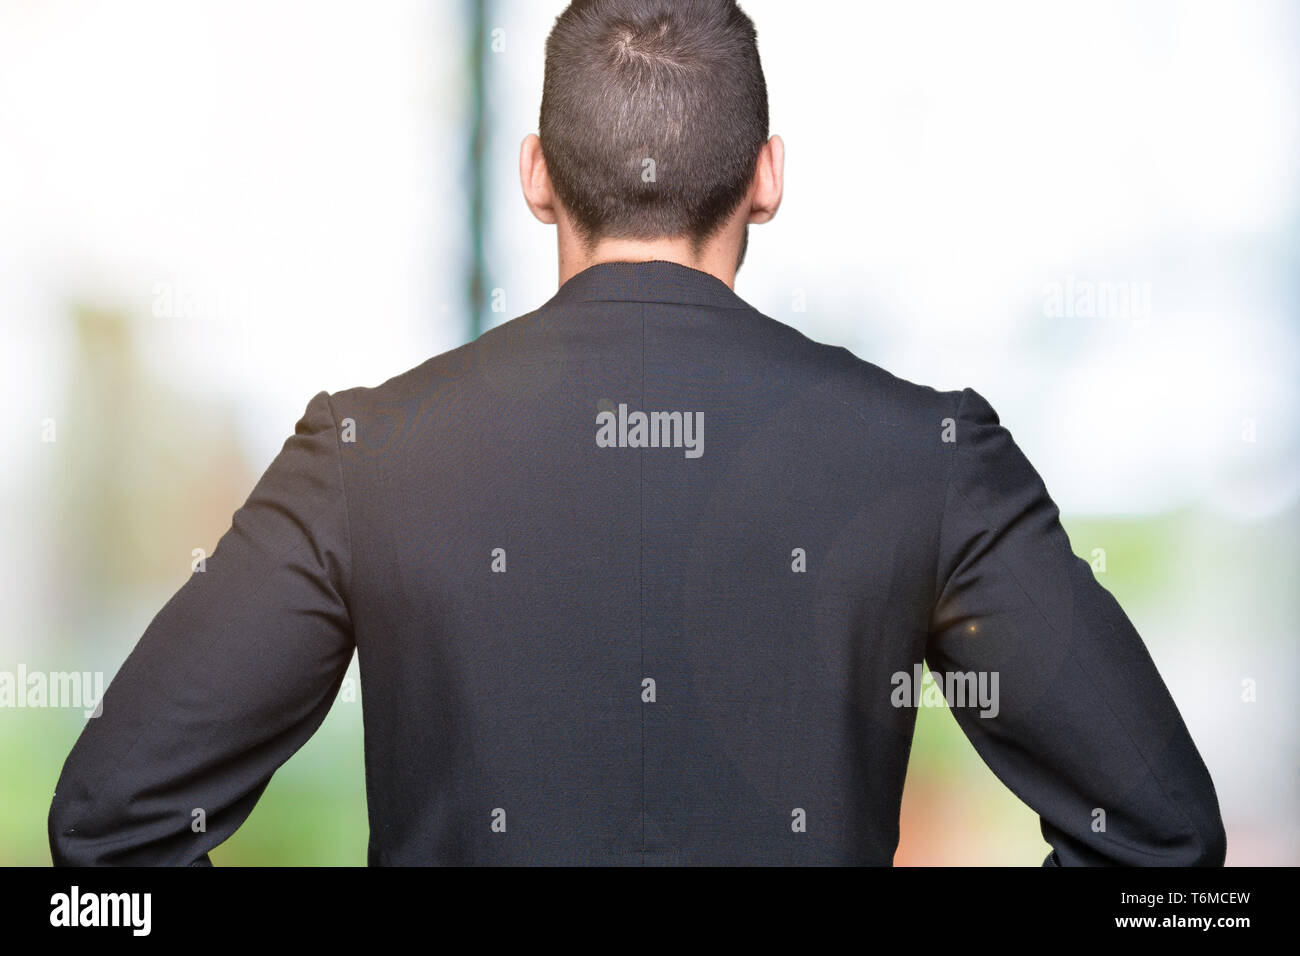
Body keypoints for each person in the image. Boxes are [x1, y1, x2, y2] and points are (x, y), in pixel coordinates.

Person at [48, 0, 1226, 866]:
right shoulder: (931, 458)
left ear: (535, 176)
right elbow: (1164, 845)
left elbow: (113, 831)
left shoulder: (366, 451)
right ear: (766, 178)